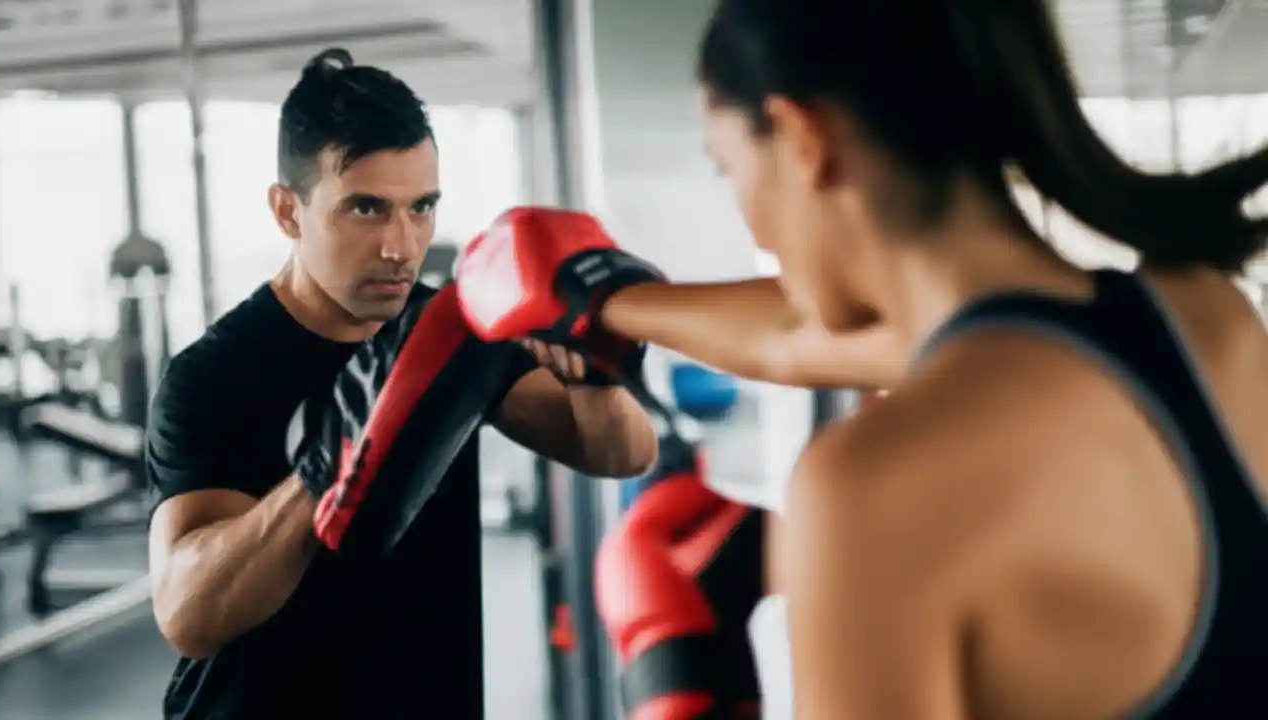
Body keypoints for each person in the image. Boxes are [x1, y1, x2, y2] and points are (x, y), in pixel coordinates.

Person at [454, 0, 1268, 717]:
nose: (755, 227)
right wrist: (600, 300)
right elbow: (804, 336)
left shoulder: (872, 488)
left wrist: (678, 666)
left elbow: (829, 337)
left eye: (729, 167)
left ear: (804, 138)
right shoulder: (1205, 322)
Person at [144, 49, 658, 719]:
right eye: (366, 209)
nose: (402, 246)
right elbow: (189, 616)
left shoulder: (449, 329)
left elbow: (621, 453)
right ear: (287, 211)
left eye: (421, 208)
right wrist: (323, 473)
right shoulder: (214, 375)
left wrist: (596, 368)